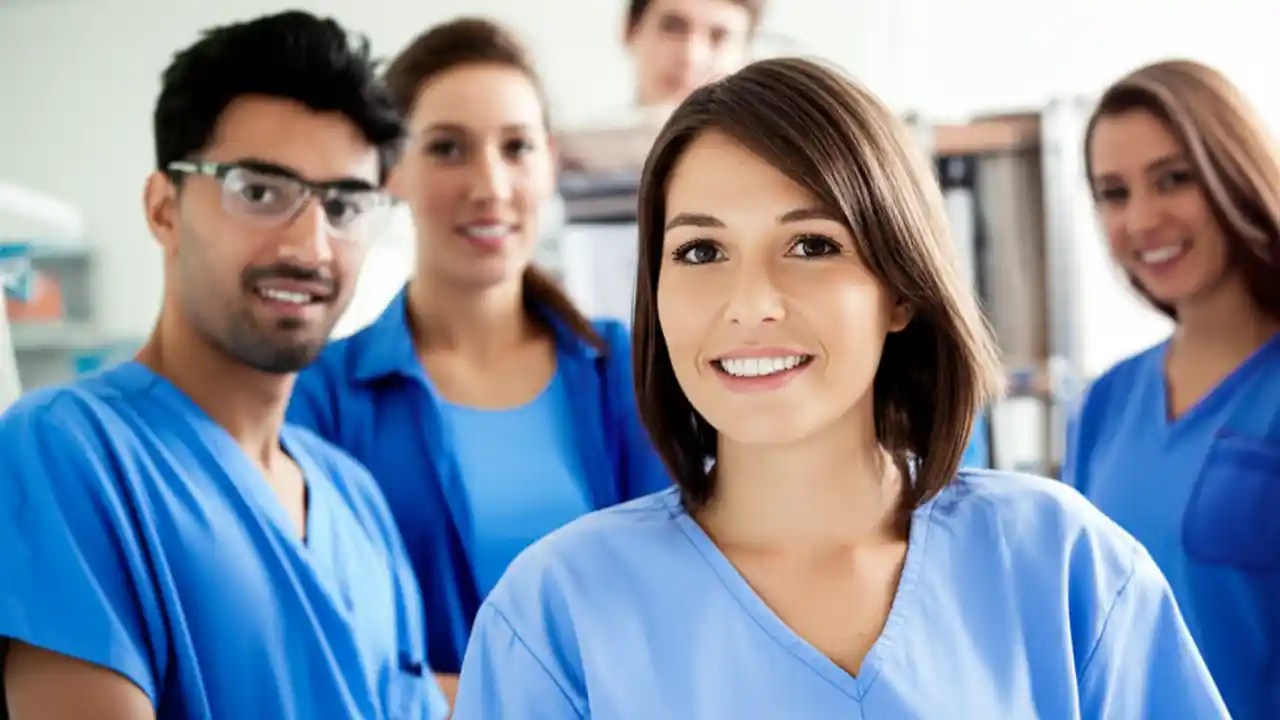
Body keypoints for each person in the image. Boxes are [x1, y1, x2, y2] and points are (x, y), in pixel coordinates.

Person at [449, 57, 1229, 719]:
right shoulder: (555, 615)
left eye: (811, 243)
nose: (750, 301)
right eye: (699, 252)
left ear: (901, 290)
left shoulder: (1063, 566)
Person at [0, 11, 449, 720]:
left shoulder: (357, 502)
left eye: (343, 204)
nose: (311, 246)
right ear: (163, 209)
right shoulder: (62, 453)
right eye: (260, 192)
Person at [287, 18, 671, 702]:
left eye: (517, 147)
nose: (490, 184)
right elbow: (316, 643)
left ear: (550, 161)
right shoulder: (321, 396)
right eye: (448, 148)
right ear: (389, 169)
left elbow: (678, 594)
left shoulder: (628, 367)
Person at [1064, 59, 1280, 720]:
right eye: (1114, 193)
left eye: (1174, 179)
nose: (1143, 218)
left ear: (1235, 173)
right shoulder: (1107, 402)